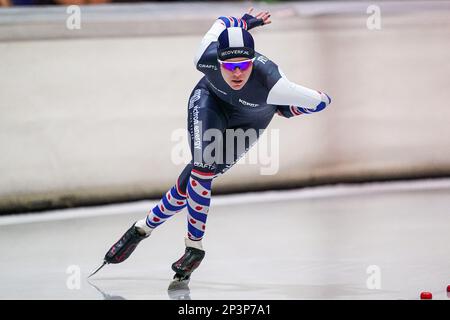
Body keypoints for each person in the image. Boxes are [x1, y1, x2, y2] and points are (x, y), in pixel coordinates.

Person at [92, 8, 332, 283]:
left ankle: (141, 228)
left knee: (188, 185)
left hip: (250, 122)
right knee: (202, 171)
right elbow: (222, 22)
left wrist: (287, 110)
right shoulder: (203, 58)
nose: (238, 73)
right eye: (229, 66)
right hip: (210, 103)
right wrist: (245, 22)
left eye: (244, 65)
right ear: (216, 61)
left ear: (254, 61)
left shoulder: (274, 82)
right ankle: (194, 247)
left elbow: (322, 101)